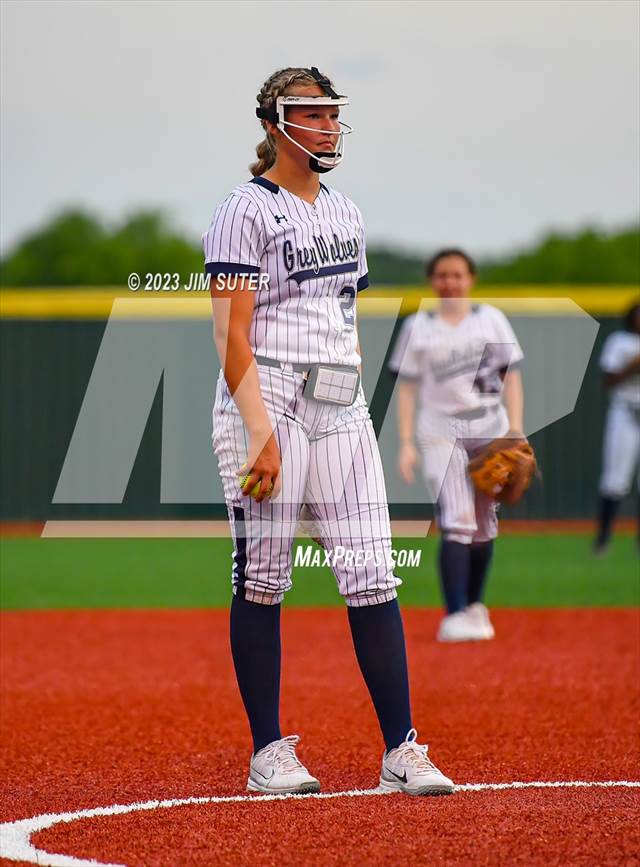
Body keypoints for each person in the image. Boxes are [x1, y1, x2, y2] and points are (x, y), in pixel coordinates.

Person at [202, 66, 453, 796]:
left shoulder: (346, 212)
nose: (328, 125)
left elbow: (343, 315)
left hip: (339, 400)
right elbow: (230, 332)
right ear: (274, 123)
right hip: (267, 395)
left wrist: (352, 386)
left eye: (332, 113)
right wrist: (258, 431)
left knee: (372, 570)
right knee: (265, 574)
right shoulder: (244, 209)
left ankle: (401, 749)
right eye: (312, 113)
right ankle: (267, 752)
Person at [388, 249, 525, 642]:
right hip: (440, 428)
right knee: (457, 518)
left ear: (471, 278)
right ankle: (454, 614)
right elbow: (407, 388)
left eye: (457, 274)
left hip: (490, 424)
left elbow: (512, 377)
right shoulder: (419, 325)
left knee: (484, 523)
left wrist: (515, 429)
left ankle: (474, 606)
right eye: (442, 274)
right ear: (432, 280)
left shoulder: (490, 319)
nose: (450, 281)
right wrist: (405, 443)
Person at [593, 300, 640, 554]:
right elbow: (608, 380)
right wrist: (633, 365)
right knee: (615, 479)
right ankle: (603, 540)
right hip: (625, 412)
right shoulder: (619, 341)